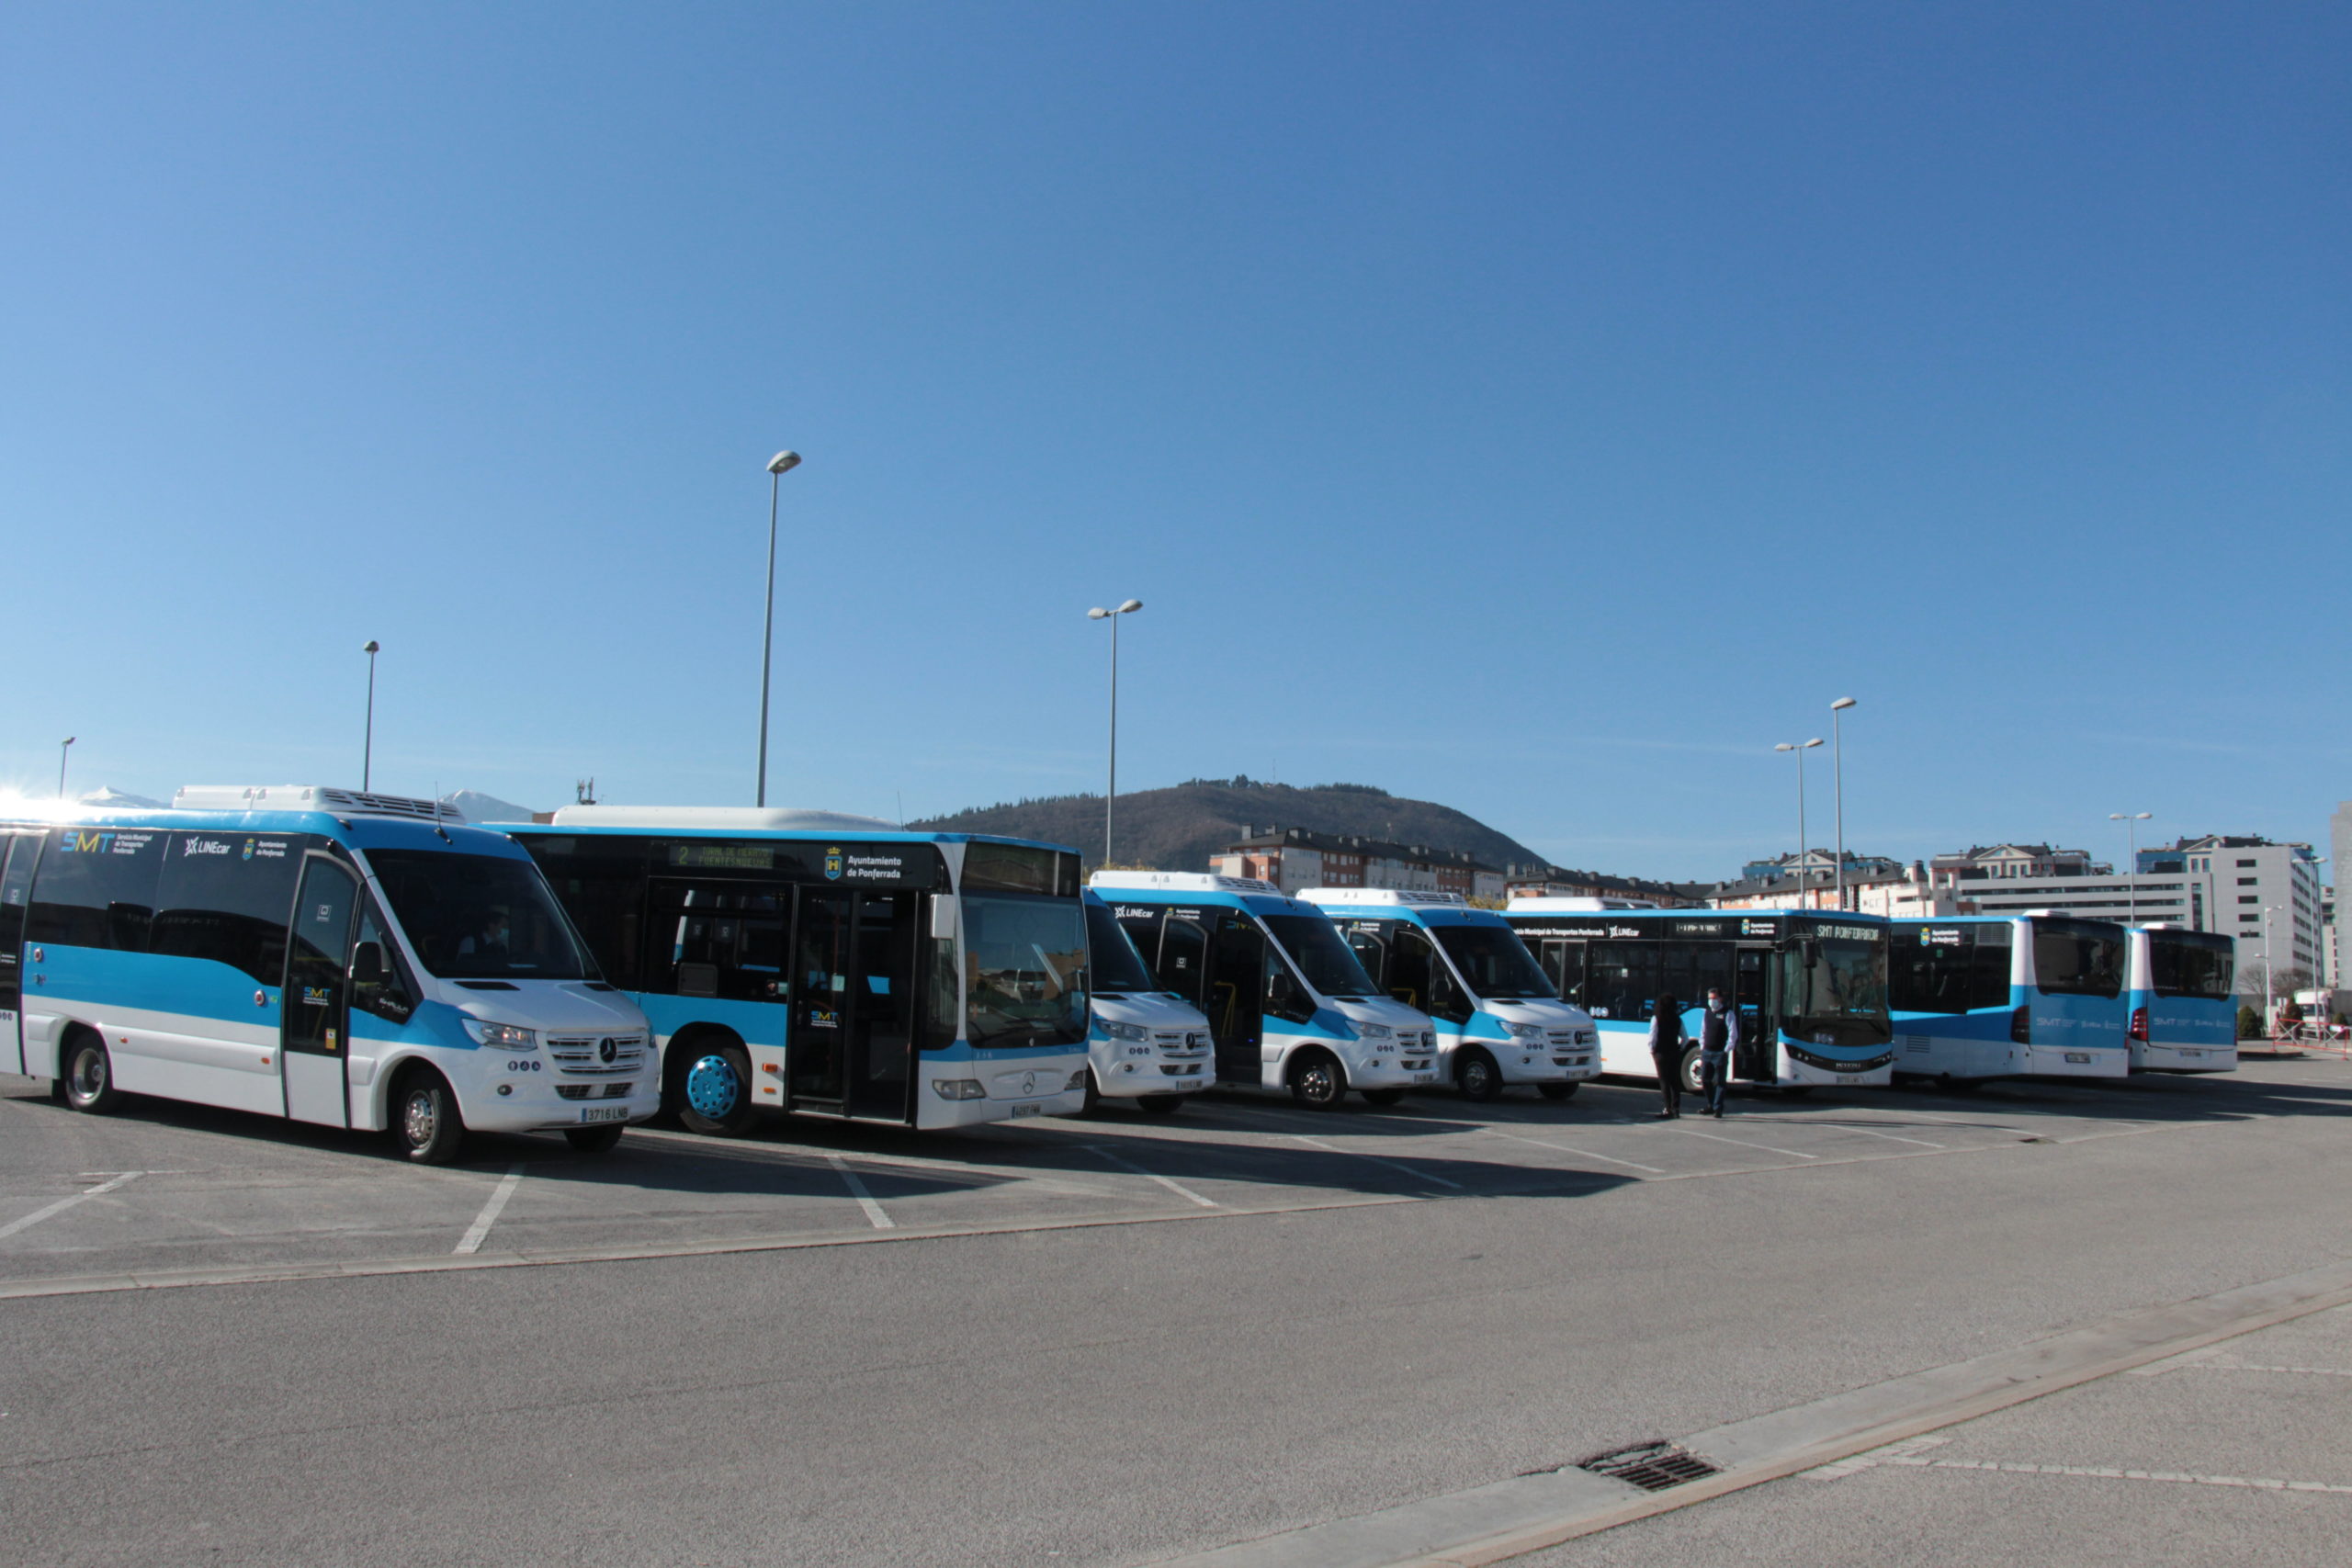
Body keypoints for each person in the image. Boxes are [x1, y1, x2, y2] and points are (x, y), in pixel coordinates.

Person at [1698, 987, 1740, 1117]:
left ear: (1720, 998)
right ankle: (1711, 1104)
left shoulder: (1728, 1013)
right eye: (1710, 999)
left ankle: (1718, 1108)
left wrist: (1726, 1050)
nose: (1711, 1001)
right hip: (1707, 1052)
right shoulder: (1707, 1013)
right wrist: (1702, 1046)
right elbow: (1703, 1032)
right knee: (1705, 1079)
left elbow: (1733, 1034)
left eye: (1714, 998)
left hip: (1719, 1053)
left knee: (1720, 1081)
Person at [1648, 993, 1686, 1119]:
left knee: (1664, 1081)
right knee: (1675, 1081)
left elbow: (1652, 1038)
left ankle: (1667, 1108)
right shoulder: (1678, 1019)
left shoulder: (1656, 1018)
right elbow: (1685, 1038)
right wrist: (1679, 1048)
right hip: (1674, 1052)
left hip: (1660, 1053)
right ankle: (1676, 1109)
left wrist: (1652, 1050)